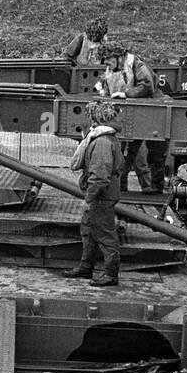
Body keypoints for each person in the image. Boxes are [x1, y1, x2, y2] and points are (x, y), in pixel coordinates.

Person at [63, 100, 124, 288]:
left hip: (101, 196)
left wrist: (89, 198)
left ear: (97, 118)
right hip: (101, 195)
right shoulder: (102, 138)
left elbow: (99, 176)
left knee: (105, 234)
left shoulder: (102, 142)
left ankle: (111, 274)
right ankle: (85, 266)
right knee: (88, 230)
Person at [99, 38, 166, 192]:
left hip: (151, 113)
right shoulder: (113, 70)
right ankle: (121, 188)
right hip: (131, 113)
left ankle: (156, 188)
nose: (106, 63)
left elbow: (147, 86)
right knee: (125, 154)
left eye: (108, 59)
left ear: (118, 57)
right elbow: (105, 85)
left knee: (155, 152)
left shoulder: (137, 65)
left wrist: (126, 94)